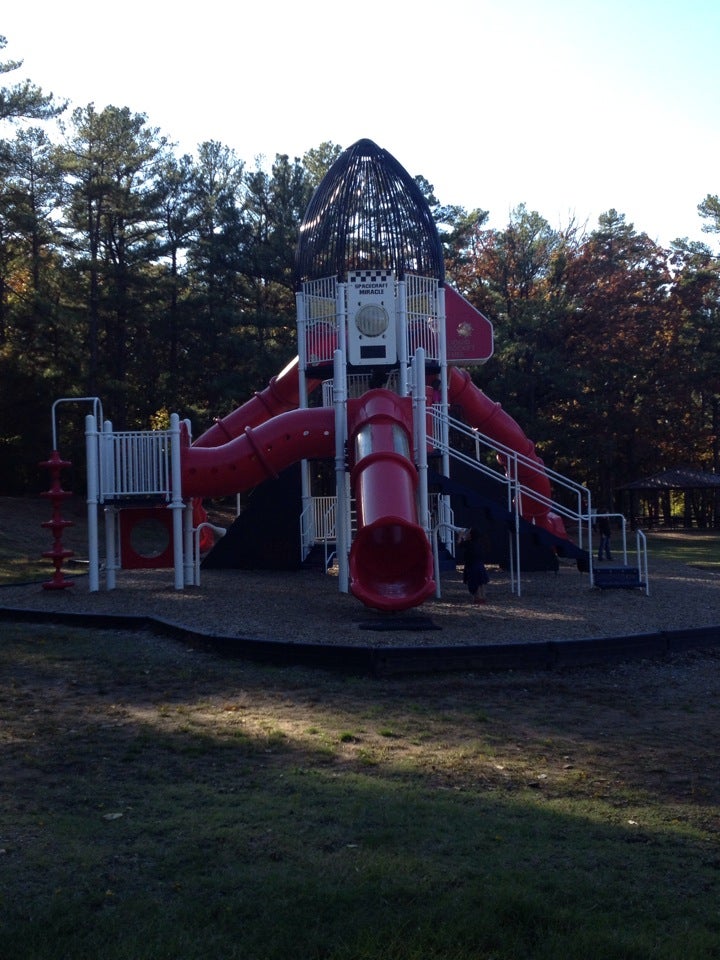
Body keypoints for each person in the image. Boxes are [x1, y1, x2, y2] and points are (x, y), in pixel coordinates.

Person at [462, 527, 490, 604]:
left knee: (475, 582)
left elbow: (459, 544)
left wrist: (460, 536)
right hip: (480, 565)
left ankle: (478, 598)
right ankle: (483, 596)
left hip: (471, 566)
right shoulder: (480, 543)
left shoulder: (468, 543)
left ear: (470, 536)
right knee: (481, 582)